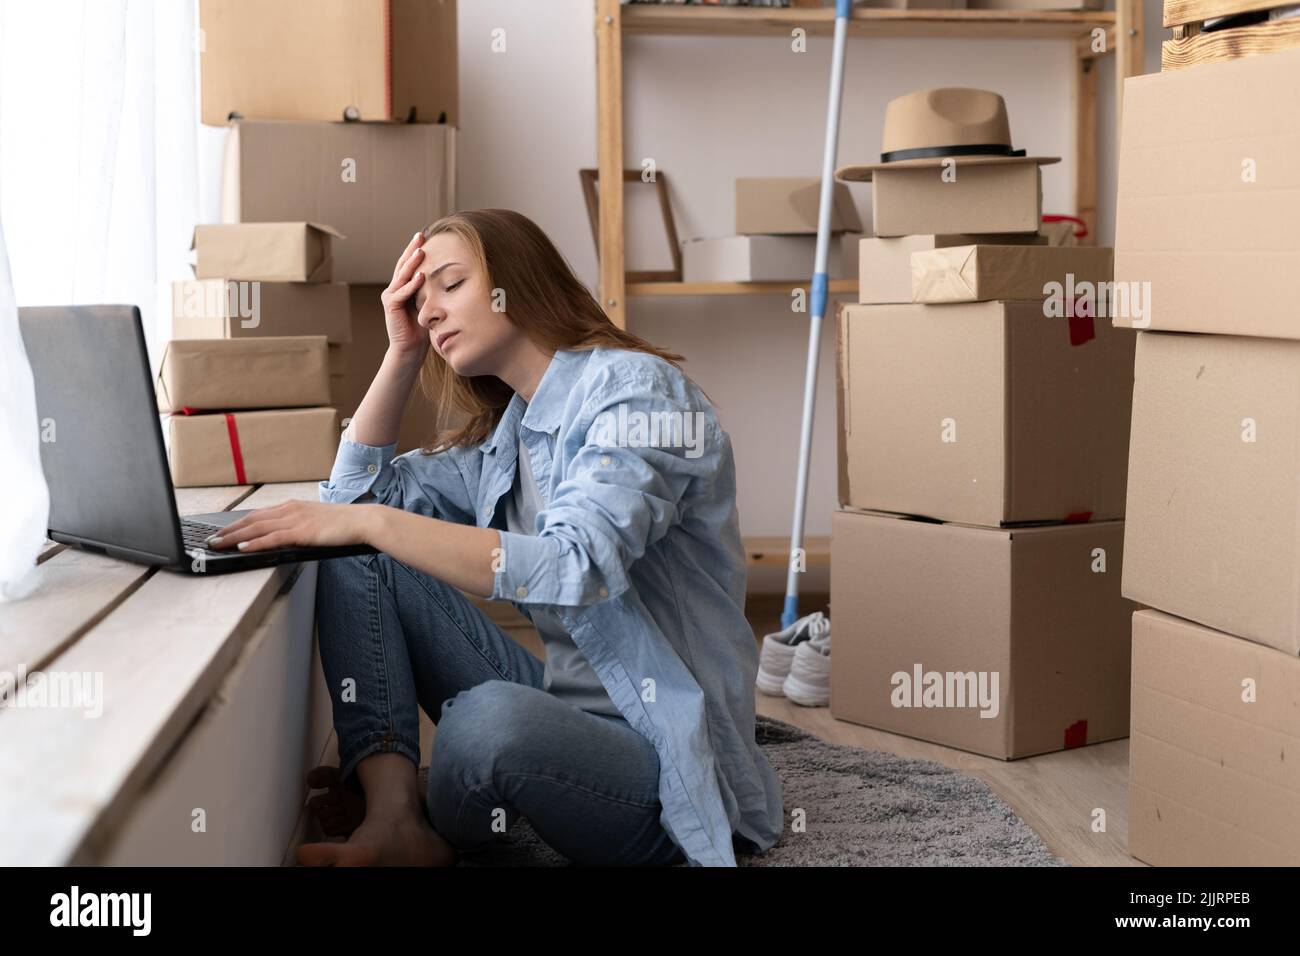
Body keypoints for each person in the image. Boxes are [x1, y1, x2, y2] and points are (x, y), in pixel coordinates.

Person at [207, 208, 784, 867]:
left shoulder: (639, 397)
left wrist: (368, 522)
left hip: (663, 767)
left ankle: (439, 808)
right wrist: (400, 354)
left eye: (449, 285)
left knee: (487, 720)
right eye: (420, 300)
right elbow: (353, 503)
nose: (427, 312)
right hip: (569, 712)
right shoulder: (512, 433)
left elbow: (576, 567)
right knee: (359, 550)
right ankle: (397, 818)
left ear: (519, 282)